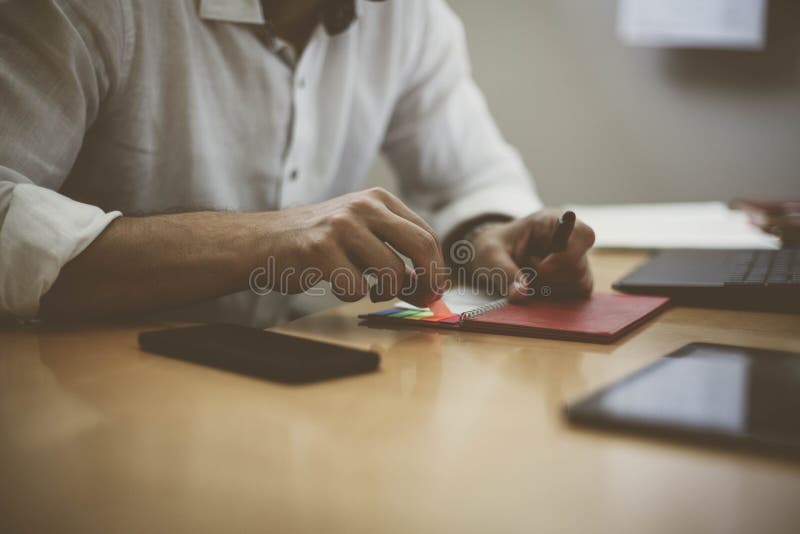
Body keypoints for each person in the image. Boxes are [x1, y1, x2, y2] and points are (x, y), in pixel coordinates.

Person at [0, 0, 595, 327]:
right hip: (78, 407)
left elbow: (475, 177)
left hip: (291, 402)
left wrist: (491, 235)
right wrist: (260, 239)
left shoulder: (408, 16)